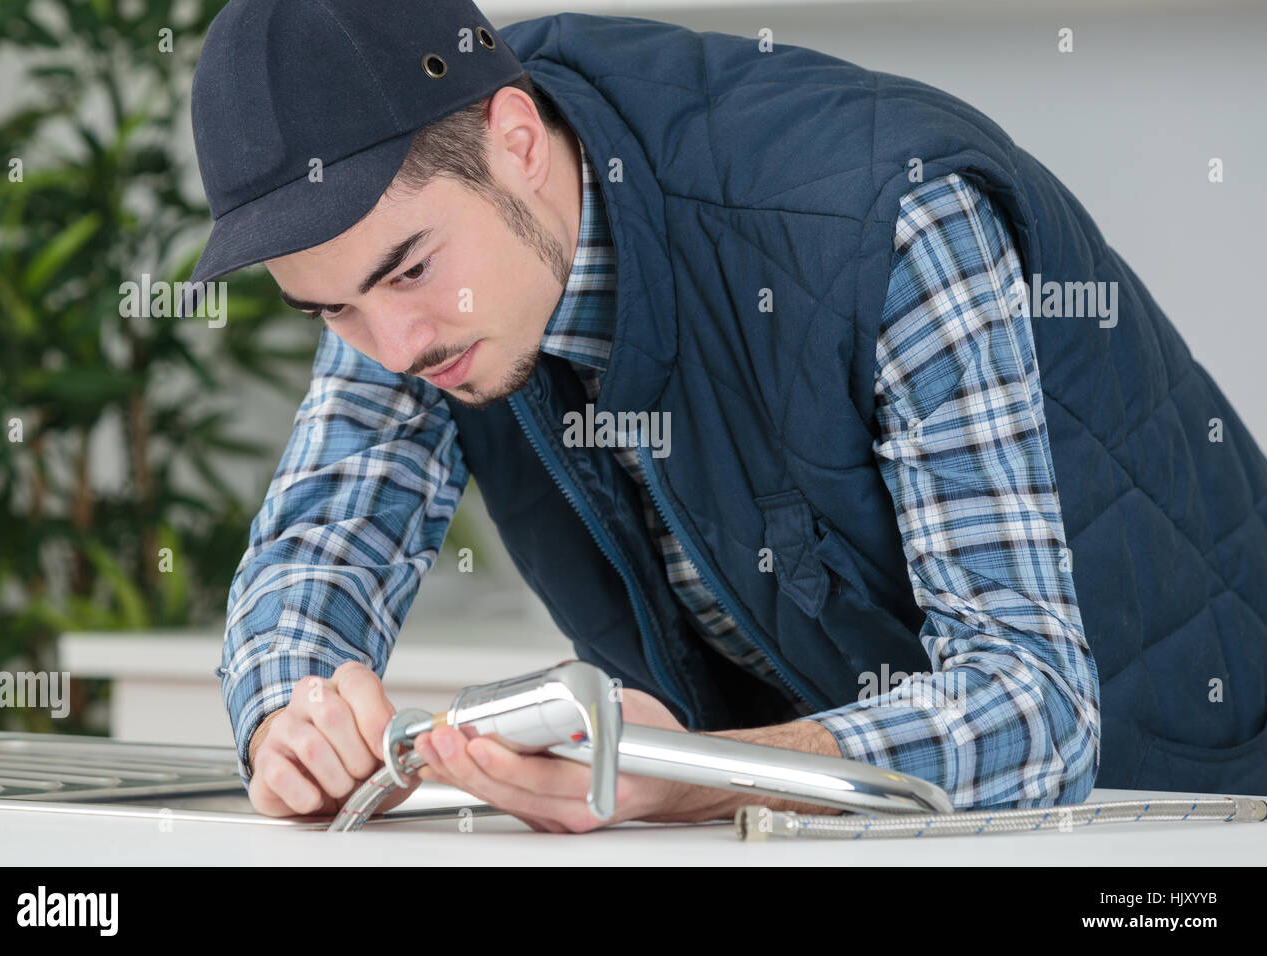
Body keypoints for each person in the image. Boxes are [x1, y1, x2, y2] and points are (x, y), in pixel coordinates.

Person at [188, 0, 1267, 830]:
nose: (393, 350)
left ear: (515, 139)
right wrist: (293, 718)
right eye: (331, 312)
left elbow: (1035, 707)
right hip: (865, 828)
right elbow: (325, 540)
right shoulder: (409, 273)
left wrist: (691, 774)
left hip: (1184, 814)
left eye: (411, 272)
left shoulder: (889, 217)